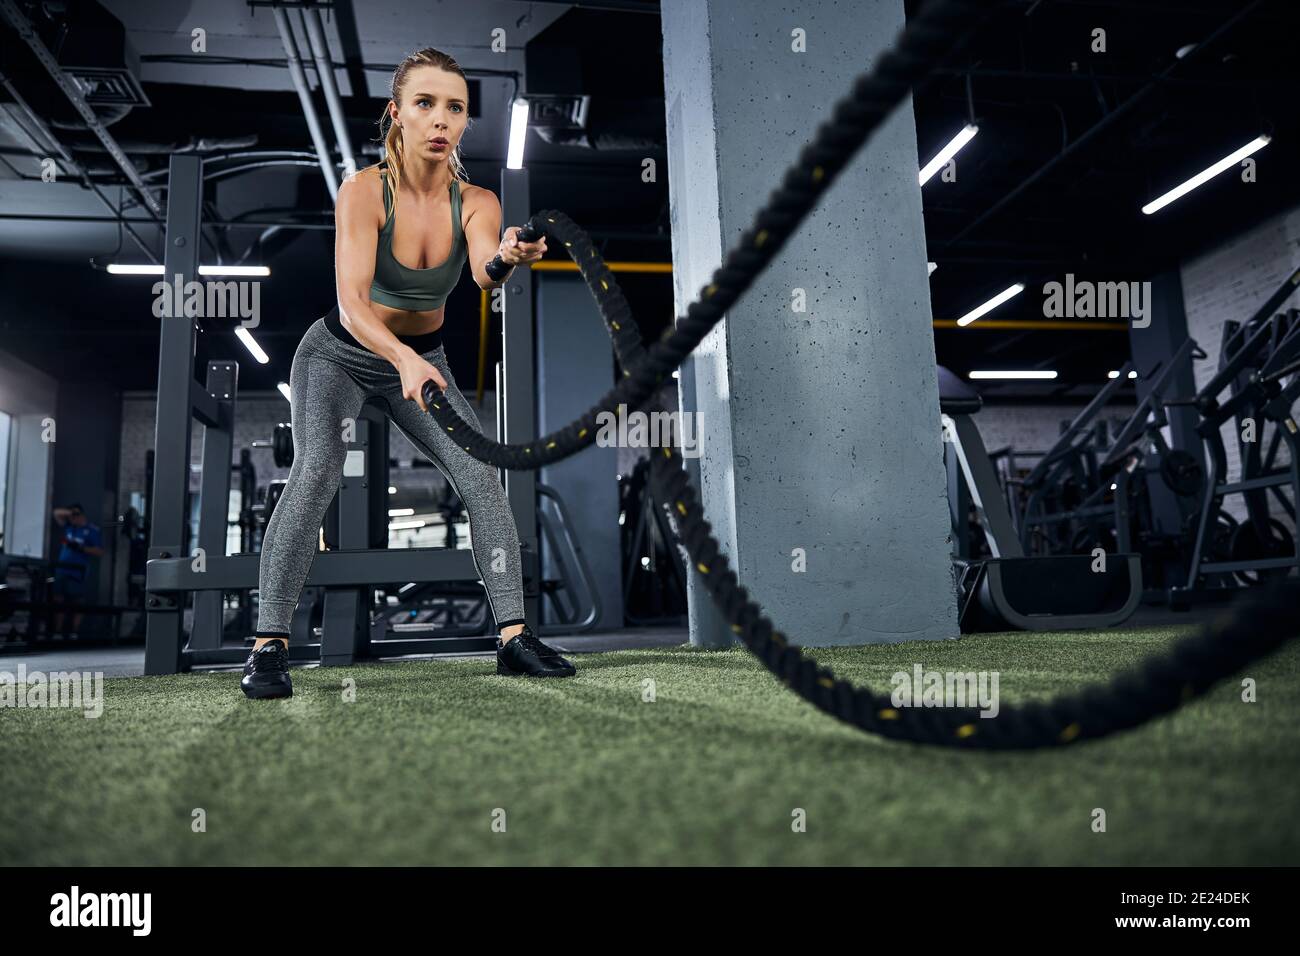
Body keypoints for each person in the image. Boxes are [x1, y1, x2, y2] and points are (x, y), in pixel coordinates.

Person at [242, 47, 576, 700]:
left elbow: (484, 273)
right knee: (318, 471)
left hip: (424, 362)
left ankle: (513, 639)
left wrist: (508, 254)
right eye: (425, 104)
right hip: (340, 355)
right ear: (397, 114)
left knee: (480, 473)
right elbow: (352, 304)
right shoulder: (363, 191)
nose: (440, 119)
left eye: (455, 107)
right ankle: (268, 646)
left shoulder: (475, 200)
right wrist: (403, 361)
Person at [50, 503, 104, 640]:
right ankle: (58, 631)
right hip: (62, 569)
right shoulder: (69, 527)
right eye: (72, 516)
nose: (74, 518)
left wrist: (81, 548)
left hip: (78, 571)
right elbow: (56, 512)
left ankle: (74, 632)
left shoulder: (91, 530)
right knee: (58, 600)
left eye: (76, 515)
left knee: (77, 601)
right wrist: (70, 513)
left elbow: (99, 551)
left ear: (82, 515)